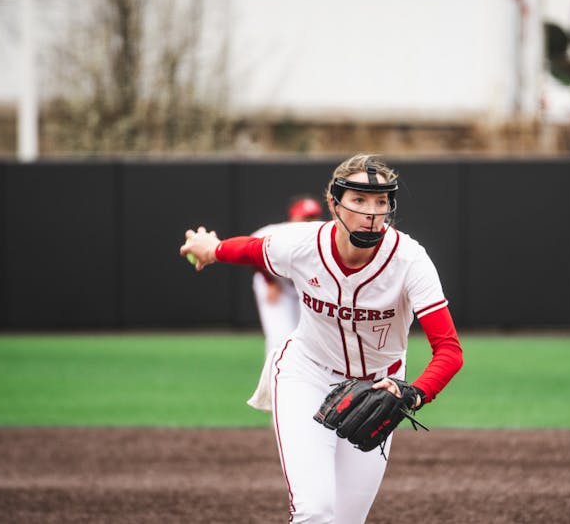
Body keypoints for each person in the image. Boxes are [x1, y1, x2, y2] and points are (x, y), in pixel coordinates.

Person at [180, 153, 463, 523]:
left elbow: (449, 351)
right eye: (358, 200)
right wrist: (211, 249)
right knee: (314, 512)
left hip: (378, 388)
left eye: (380, 202)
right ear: (334, 203)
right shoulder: (302, 243)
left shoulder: (410, 260)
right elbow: (249, 250)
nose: (370, 212)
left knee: (347, 520)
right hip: (307, 374)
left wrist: (412, 391)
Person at [246, 195, 322, 412]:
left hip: (302, 291)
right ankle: (274, 401)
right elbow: (251, 252)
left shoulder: (320, 234)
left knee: (310, 341)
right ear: (293, 217)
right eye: (306, 217)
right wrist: (269, 281)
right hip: (275, 288)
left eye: (314, 216)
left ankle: (307, 399)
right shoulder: (275, 233)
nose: (310, 221)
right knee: (279, 339)